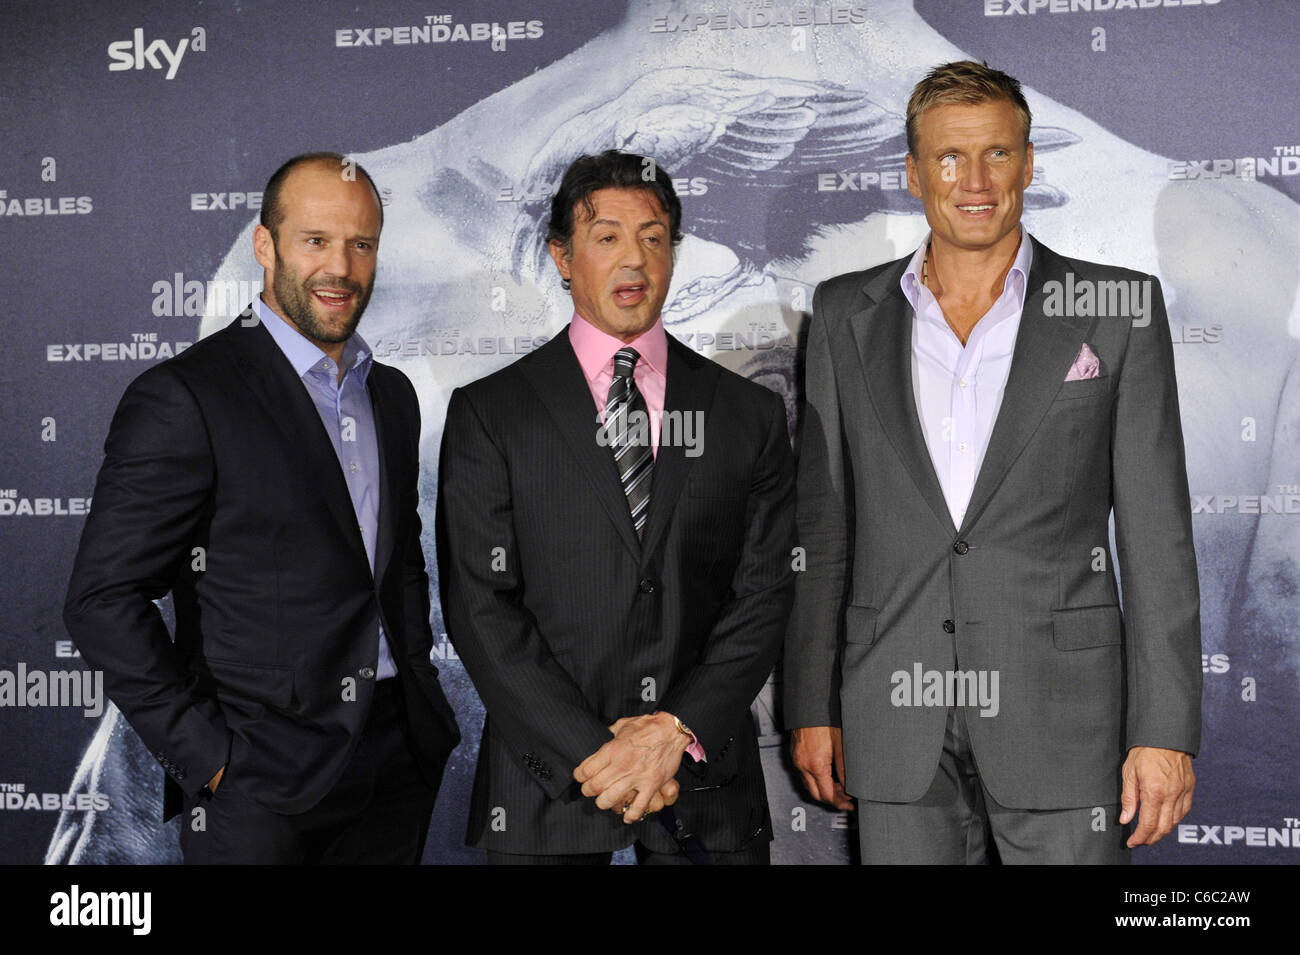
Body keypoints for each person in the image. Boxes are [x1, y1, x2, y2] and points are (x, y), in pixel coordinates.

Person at [784, 62, 1202, 864]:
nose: (974, 181)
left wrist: (1163, 730)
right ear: (913, 173)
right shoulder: (844, 313)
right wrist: (813, 702)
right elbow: (824, 530)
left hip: (1064, 717)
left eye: (997, 154)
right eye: (948, 158)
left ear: (1029, 163)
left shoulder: (1117, 310)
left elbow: (1157, 543)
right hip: (894, 711)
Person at [63, 152, 459, 864]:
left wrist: (421, 702)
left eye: (360, 243)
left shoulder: (391, 395)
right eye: (315, 240)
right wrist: (209, 759)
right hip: (258, 786)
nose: (340, 266)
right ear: (265, 245)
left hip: (397, 765)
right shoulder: (188, 396)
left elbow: (396, 569)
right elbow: (102, 598)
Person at [436, 149, 795, 864]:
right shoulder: (492, 414)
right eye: (607, 237)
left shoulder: (746, 414)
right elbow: (482, 609)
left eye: (654, 237)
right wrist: (602, 757)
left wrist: (671, 733)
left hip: (704, 782)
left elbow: (765, 594)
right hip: (549, 790)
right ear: (563, 257)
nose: (634, 259)